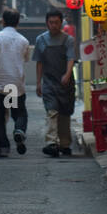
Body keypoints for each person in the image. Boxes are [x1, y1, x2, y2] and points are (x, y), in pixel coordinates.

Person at [0, 9, 30, 157]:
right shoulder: (24, 40)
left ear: (3, 21)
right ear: (18, 22)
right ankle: (19, 130)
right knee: (19, 113)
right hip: (15, 85)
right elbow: (25, 59)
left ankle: (4, 147)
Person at [34, 9, 76, 157]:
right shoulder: (41, 40)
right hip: (49, 82)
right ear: (47, 23)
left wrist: (67, 74)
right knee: (51, 111)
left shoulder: (68, 40)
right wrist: (38, 83)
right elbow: (39, 63)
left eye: (56, 22)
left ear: (61, 22)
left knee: (65, 113)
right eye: (51, 22)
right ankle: (51, 143)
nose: (54, 25)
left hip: (66, 83)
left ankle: (65, 144)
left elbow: (71, 58)